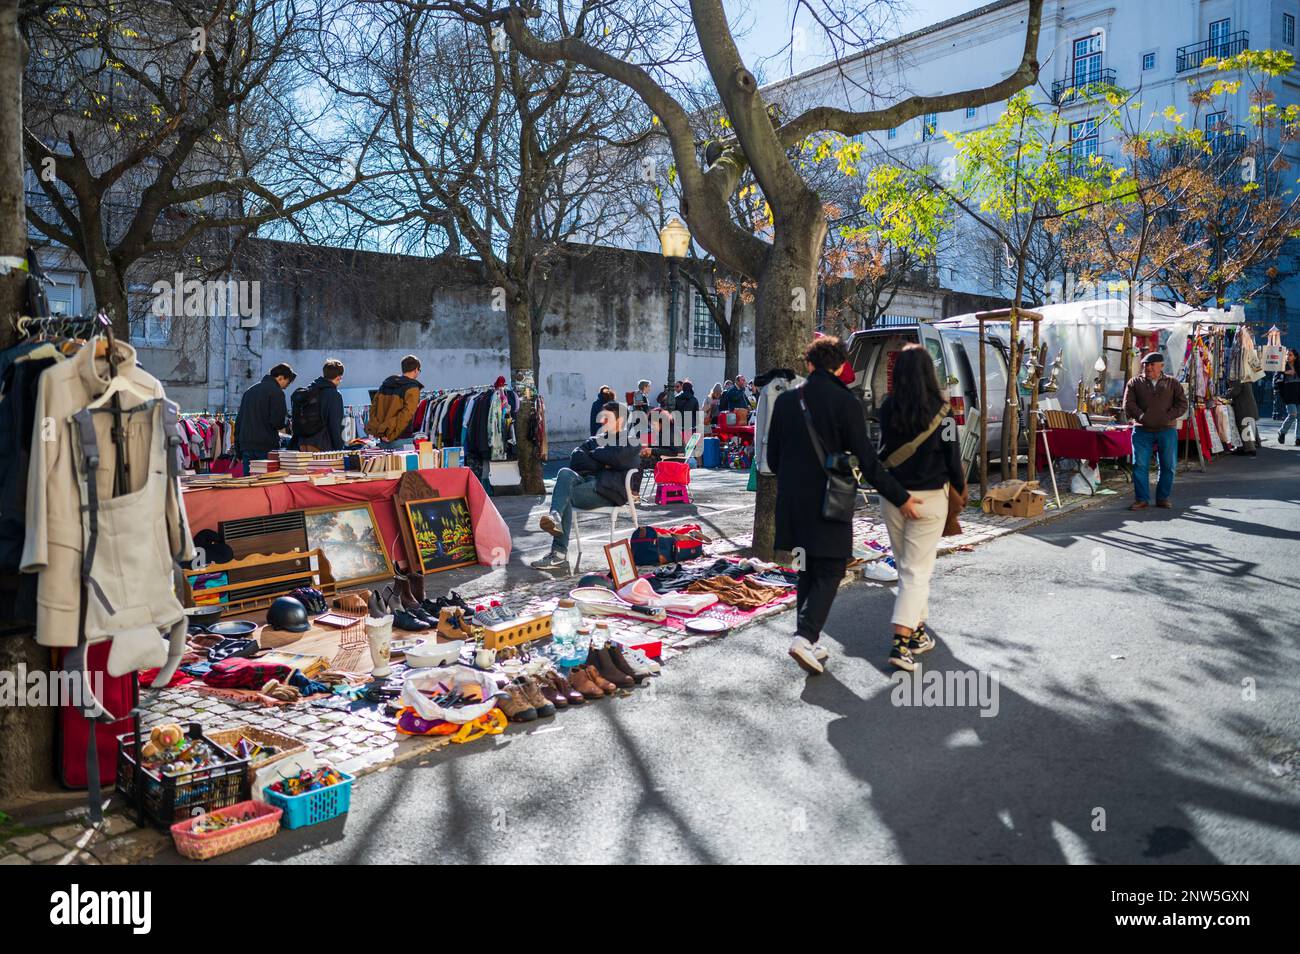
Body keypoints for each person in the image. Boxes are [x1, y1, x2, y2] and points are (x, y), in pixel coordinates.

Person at [767, 337, 919, 676]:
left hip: (791, 501)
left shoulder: (787, 401)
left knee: (806, 567)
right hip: (829, 499)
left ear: (809, 365)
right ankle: (804, 637)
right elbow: (868, 462)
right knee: (832, 567)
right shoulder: (846, 402)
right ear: (839, 367)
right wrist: (901, 496)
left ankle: (810, 639)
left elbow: (772, 458)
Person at [877, 344, 967, 672]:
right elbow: (952, 460)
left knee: (907, 568)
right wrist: (959, 491)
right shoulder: (944, 412)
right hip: (929, 499)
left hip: (894, 497)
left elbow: (884, 449)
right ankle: (900, 645)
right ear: (930, 372)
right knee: (917, 571)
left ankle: (916, 632)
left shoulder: (888, 408)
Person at [532, 402, 651, 572]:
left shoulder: (631, 441)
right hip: (586, 486)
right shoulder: (595, 440)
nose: (602, 421)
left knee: (564, 494)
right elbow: (576, 459)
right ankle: (555, 516)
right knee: (565, 472)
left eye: (607, 418)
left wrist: (595, 456)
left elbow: (620, 460)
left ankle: (558, 554)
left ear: (620, 420)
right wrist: (605, 462)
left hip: (608, 490)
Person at [1123, 351, 1188, 511]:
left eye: (1152, 364)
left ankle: (1162, 497)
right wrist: (1142, 416)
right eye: (1146, 365)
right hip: (1142, 430)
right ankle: (1141, 499)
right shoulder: (1135, 382)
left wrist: (1168, 417)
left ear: (1161, 366)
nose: (1148, 368)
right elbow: (1128, 404)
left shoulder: (1172, 382)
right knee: (1140, 465)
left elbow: (1182, 404)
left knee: (1168, 465)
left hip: (1167, 429)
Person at [234, 362, 295, 473]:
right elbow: (278, 422)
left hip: (246, 446)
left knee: (249, 484)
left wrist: (238, 449)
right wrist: (287, 422)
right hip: (266, 447)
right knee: (266, 484)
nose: (287, 386)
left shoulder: (249, 391)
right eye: (288, 382)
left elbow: (239, 421)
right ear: (281, 378)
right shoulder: (277, 393)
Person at [366, 355, 423, 445]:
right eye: (419, 371)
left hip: (383, 438)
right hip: (401, 438)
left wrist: (379, 432)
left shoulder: (385, 385)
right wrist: (391, 435)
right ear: (416, 369)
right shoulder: (412, 388)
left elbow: (373, 409)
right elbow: (406, 415)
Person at [291, 359, 346, 452]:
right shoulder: (334, 395)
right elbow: (335, 424)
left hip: (302, 443)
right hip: (322, 443)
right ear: (338, 378)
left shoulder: (311, 390)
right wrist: (339, 448)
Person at [1277, 349, 1300, 445]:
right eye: (1286, 355)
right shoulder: (1282, 366)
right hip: (1289, 395)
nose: (1287, 356)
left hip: (1298, 394)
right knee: (1293, 414)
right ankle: (1282, 432)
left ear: (1295, 357)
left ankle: (1298, 438)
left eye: (1290, 355)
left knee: (1299, 417)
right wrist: (1285, 373)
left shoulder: (1299, 366)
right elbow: (1276, 379)